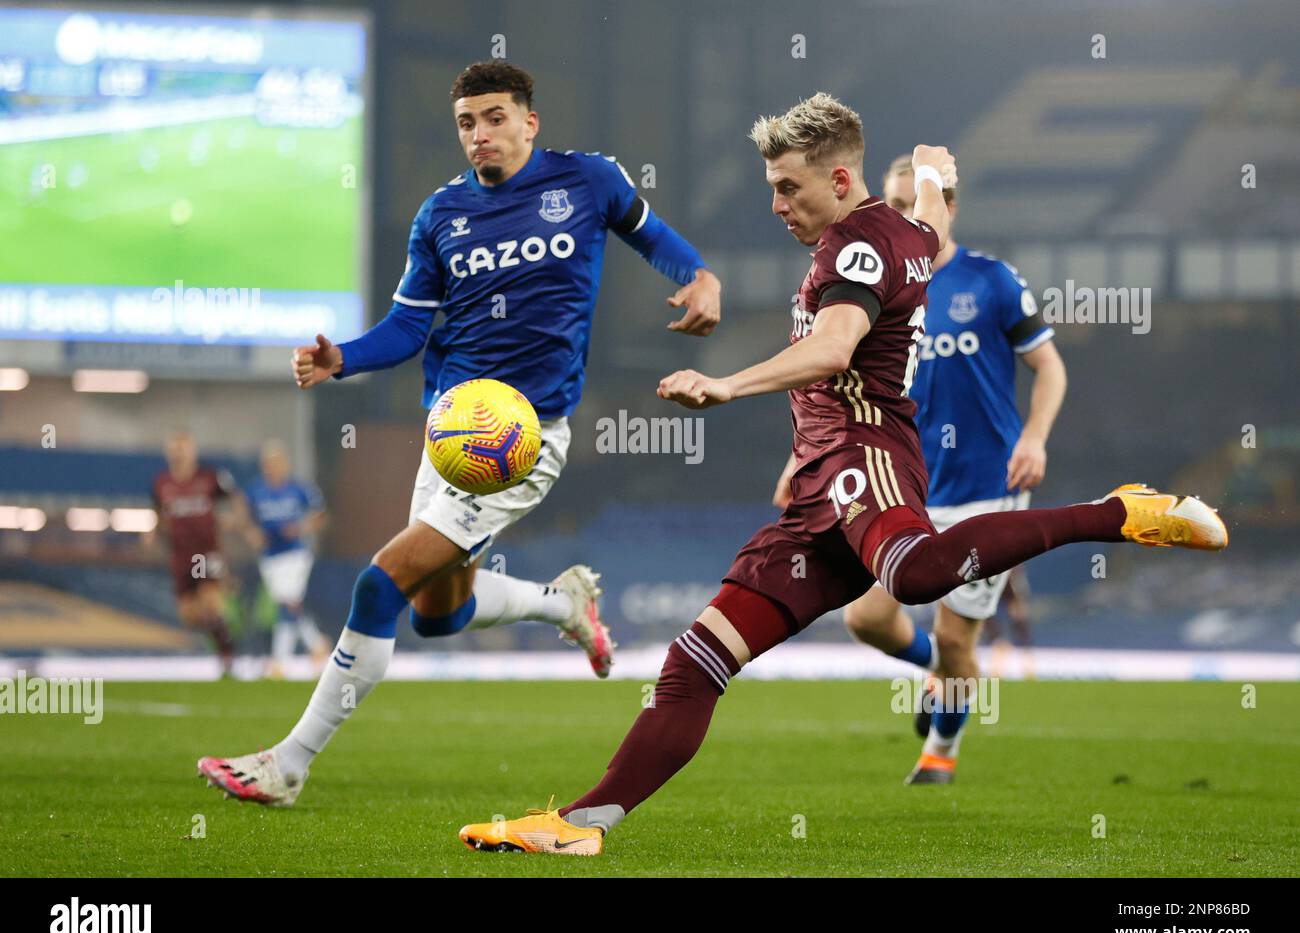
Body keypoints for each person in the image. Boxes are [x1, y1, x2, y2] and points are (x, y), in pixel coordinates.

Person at [457, 93, 1225, 854]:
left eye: (789, 187)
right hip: (820, 490)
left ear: (842, 178)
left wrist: (727, 384)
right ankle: (580, 826)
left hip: (868, 457)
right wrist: (930, 175)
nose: (776, 205)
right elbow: (929, 223)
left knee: (919, 574)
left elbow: (831, 350)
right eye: (771, 189)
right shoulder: (904, 230)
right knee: (697, 658)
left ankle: (1117, 513)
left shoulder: (854, 247)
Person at [198, 60, 722, 806]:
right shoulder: (440, 215)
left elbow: (656, 238)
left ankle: (288, 764)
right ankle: (563, 604)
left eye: (496, 118)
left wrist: (699, 275)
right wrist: (343, 357)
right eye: (467, 124)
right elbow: (411, 325)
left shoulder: (588, 181)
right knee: (438, 615)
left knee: (379, 586)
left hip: (521, 440)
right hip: (452, 430)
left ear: (529, 122)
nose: (480, 135)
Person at [803, 153, 1066, 783]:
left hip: (986, 489)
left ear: (946, 204)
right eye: (889, 207)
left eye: (912, 203)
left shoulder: (992, 280)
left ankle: (938, 756)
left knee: (956, 640)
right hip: (905, 485)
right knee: (865, 618)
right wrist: (803, 454)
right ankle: (942, 677)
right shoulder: (881, 289)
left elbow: (1050, 366)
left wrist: (1035, 438)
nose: (898, 217)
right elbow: (846, 381)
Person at [148, 430, 247, 677]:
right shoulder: (162, 483)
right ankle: (223, 630)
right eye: (175, 448)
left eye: (183, 447)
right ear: (168, 452)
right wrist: (152, 531)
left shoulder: (210, 478)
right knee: (190, 616)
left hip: (205, 553)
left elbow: (236, 497)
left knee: (210, 602)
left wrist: (236, 519)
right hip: (180, 555)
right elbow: (160, 513)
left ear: (193, 451)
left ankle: (227, 656)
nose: (179, 453)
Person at [244, 440, 330, 678]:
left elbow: (320, 516)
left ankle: (279, 663)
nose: (273, 467)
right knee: (288, 604)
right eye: (268, 463)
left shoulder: (299, 489)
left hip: (295, 554)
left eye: (277, 462)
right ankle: (316, 644)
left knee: (288, 603)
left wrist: (301, 527)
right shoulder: (255, 491)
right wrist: (252, 534)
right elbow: (244, 518)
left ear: (285, 464)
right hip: (270, 556)